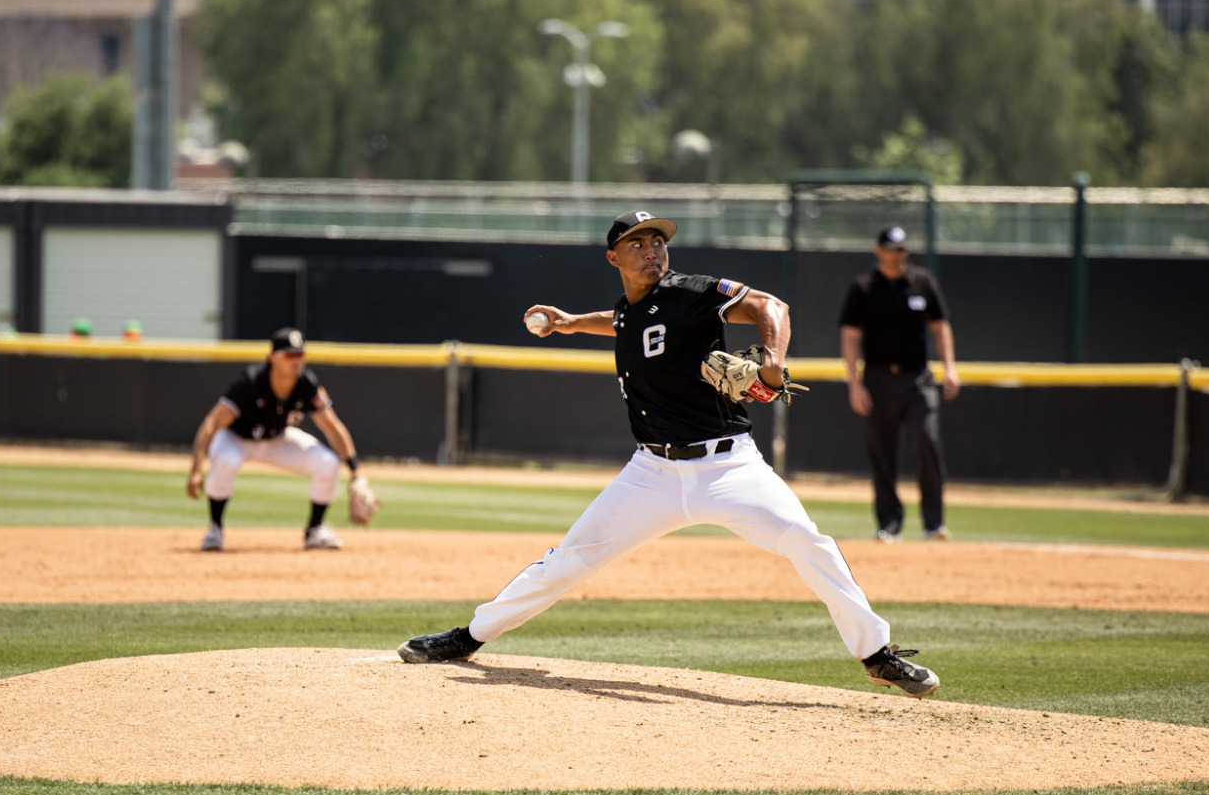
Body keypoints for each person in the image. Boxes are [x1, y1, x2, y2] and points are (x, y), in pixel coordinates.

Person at [395, 209, 940, 698]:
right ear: (614, 258)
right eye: (637, 243)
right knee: (570, 558)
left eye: (658, 241)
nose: (652, 250)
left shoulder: (691, 292)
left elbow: (770, 305)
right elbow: (623, 322)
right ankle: (468, 637)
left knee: (807, 542)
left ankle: (877, 655)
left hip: (728, 466)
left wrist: (772, 359)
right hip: (651, 472)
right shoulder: (631, 310)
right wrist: (569, 322)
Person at [186, 327, 364, 552]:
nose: (296, 360)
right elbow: (211, 424)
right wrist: (195, 469)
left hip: (276, 439)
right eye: (290, 355)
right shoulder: (250, 382)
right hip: (236, 438)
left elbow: (332, 426)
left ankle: (315, 531)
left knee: (327, 463)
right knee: (227, 460)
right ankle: (215, 529)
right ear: (273, 358)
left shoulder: (307, 384)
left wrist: (356, 472)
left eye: (300, 354)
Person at [839, 226, 959, 542]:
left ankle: (933, 524)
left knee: (926, 441)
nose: (897, 255)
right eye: (892, 249)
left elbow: (940, 327)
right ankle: (889, 525)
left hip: (917, 378)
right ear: (878, 250)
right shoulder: (863, 288)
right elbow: (851, 337)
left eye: (902, 249)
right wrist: (854, 384)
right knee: (882, 453)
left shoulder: (922, 283)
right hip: (877, 379)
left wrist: (950, 368)